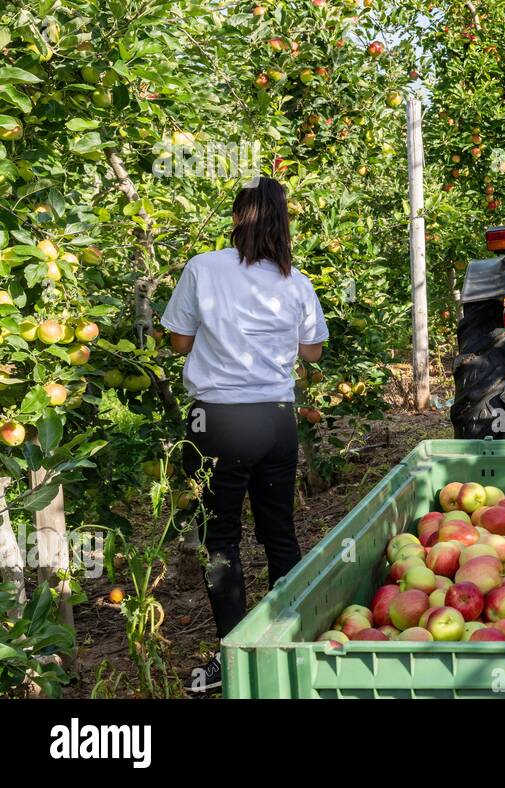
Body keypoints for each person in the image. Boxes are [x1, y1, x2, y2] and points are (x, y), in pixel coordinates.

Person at [161, 175, 328, 694]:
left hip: (217, 422)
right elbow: (313, 352)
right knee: (279, 533)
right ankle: (293, 645)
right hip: (277, 420)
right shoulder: (294, 281)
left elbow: (178, 342)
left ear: (237, 219)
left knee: (222, 541)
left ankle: (232, 658)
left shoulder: (203, 268)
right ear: (283, 223)